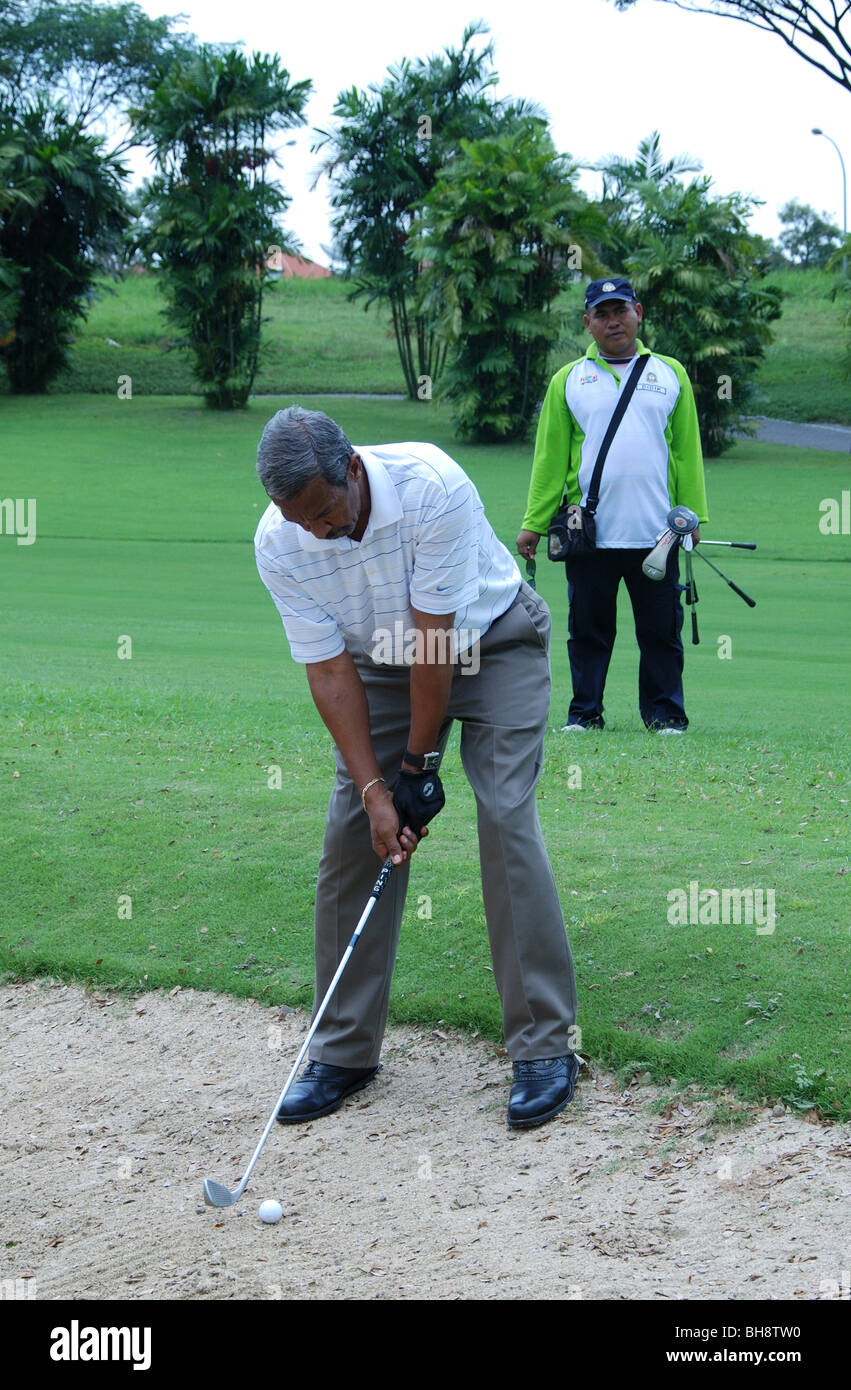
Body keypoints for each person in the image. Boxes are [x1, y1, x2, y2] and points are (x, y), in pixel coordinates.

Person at [253, 405, 579, 1130]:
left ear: (354, 472)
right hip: (382, 664)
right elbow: (331, 672)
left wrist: (418, 770)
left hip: (492, 642)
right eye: (298, 519)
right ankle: (341, 1050)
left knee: (502, 813)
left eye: (324, 512)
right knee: (351, 832)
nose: (317, 531)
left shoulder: (432, 485)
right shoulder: (280, 542)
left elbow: (436, 642)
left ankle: (543, 1044)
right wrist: (376, 789)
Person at [517, 277, 708, 733]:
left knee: (661, 630)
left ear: (638, 313)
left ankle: (665, 715)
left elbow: (686, 453)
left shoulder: (670, 374)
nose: (613, 321)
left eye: (620, 310)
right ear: (588, 323)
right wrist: (533, 524)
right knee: (587, 631)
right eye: (601, 314)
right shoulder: (568, 380)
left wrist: (693, 516)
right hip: (589, 532)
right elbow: (550, 459)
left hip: (656, 534)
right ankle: (585, 713)